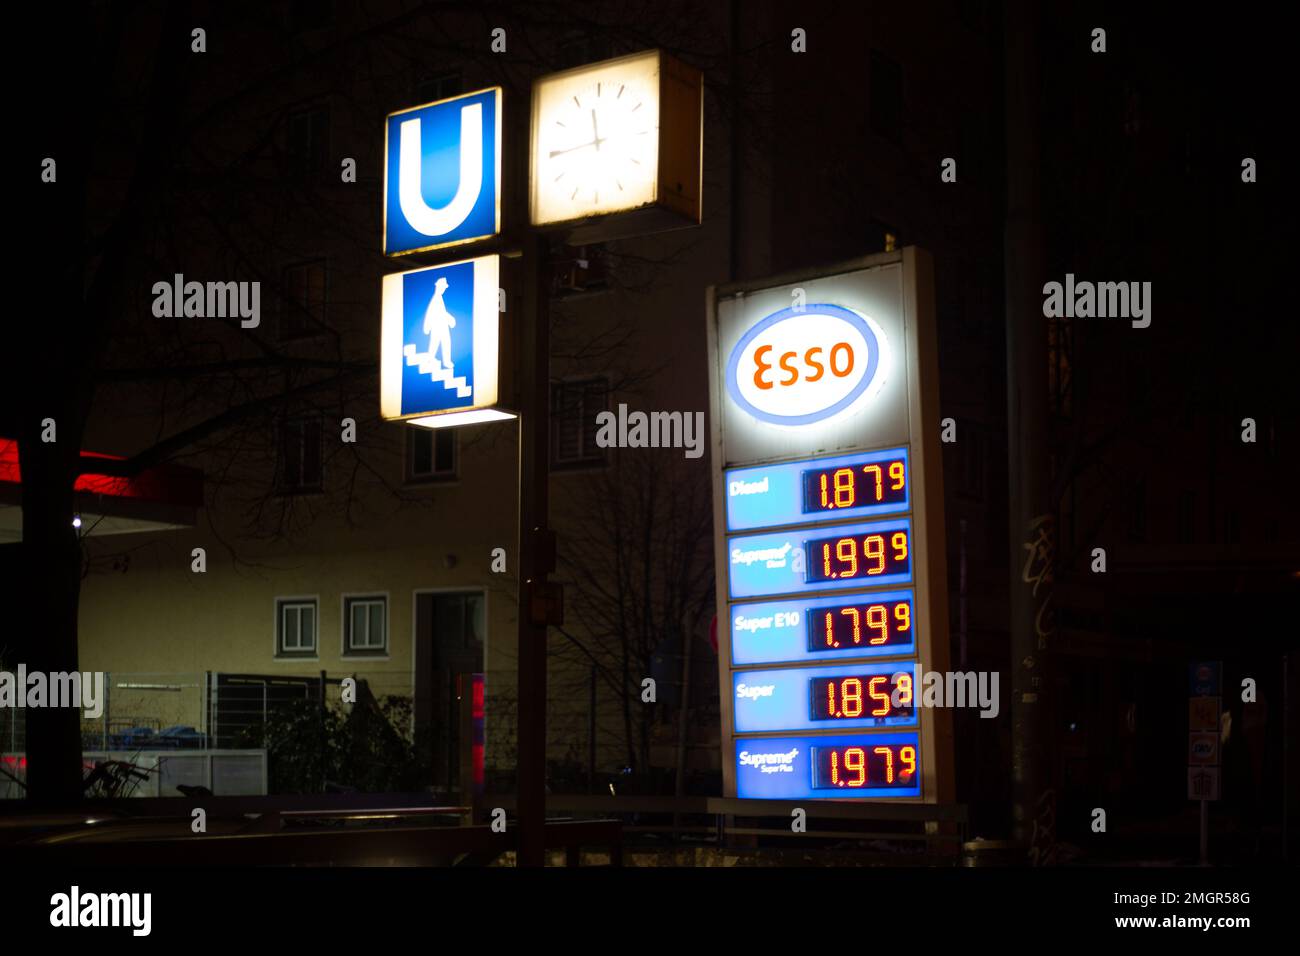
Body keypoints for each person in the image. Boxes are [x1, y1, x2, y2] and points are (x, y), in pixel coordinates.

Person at [423, 276, 456, 371]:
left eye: (444, 288)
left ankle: (444, 361)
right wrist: (427, 326)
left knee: (442, 342)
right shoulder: (436, 298)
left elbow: (441, 313)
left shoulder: (438, 298)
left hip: (441, 326)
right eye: (442, 287)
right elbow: (432, 313)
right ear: (438, 287)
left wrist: (450, 319)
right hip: (438, 326)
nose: (443, 289)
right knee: (437, 342)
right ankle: (432, 359)